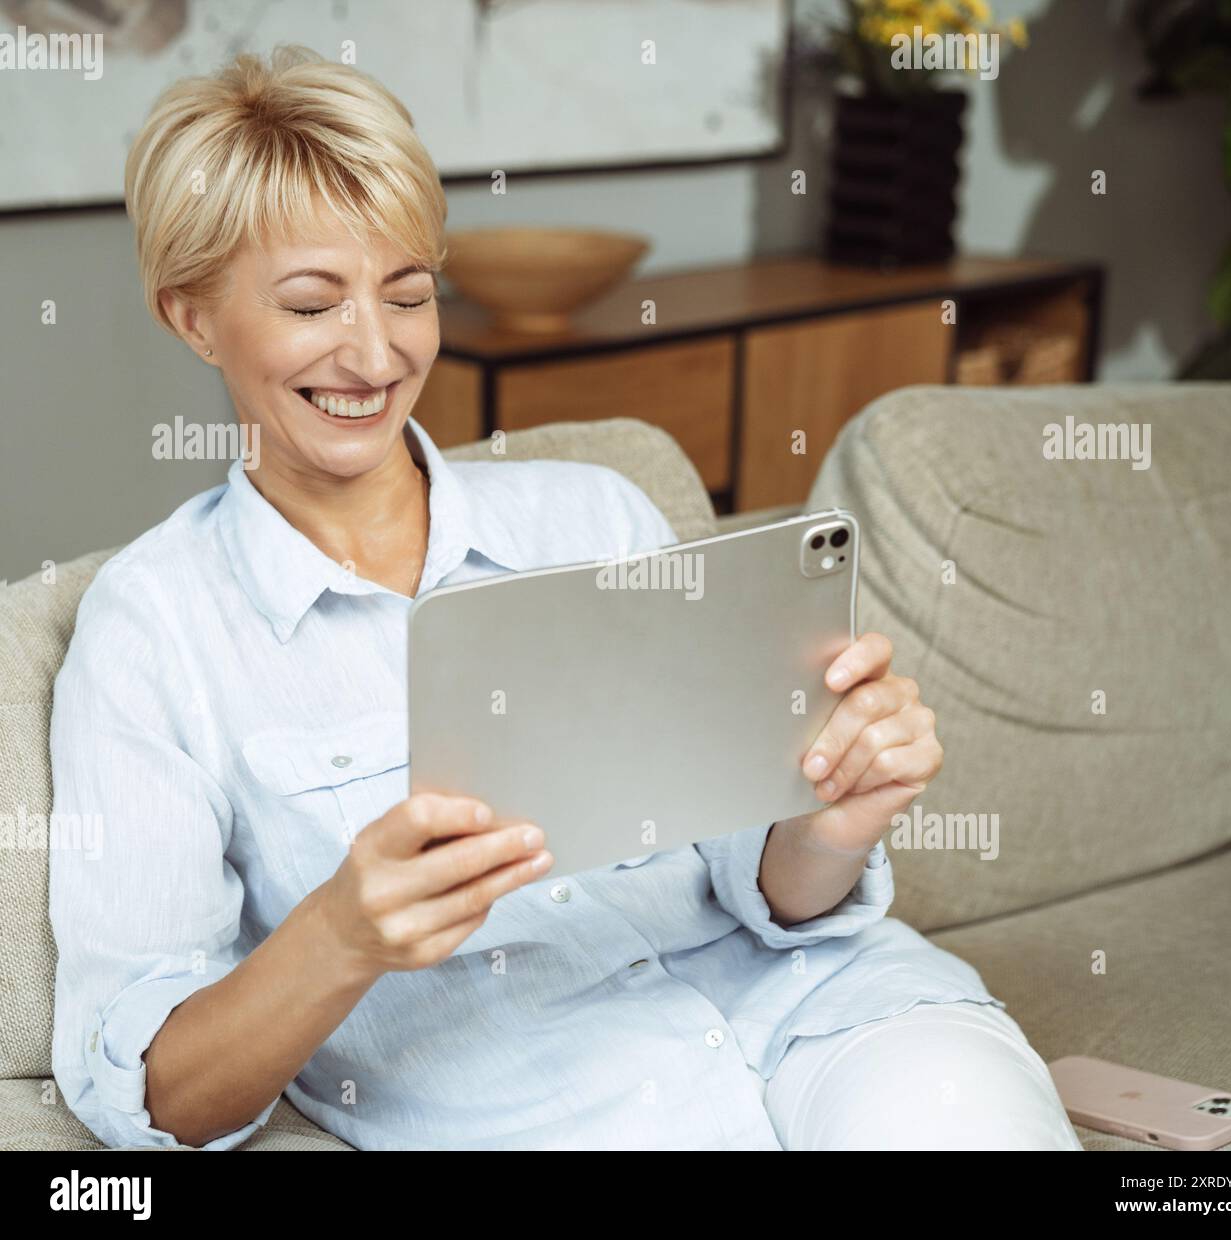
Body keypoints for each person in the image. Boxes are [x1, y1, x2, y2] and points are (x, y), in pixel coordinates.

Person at [48, 46, 1082, 1151]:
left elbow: (766, 887)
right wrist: (341, 936)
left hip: (846, 1015)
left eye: (407, 292)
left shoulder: (594, 518)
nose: (374, 350)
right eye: (312, 303)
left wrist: (827, 821)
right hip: (571, 1106)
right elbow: (146, 1090)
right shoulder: (153, 631)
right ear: (193, 318)